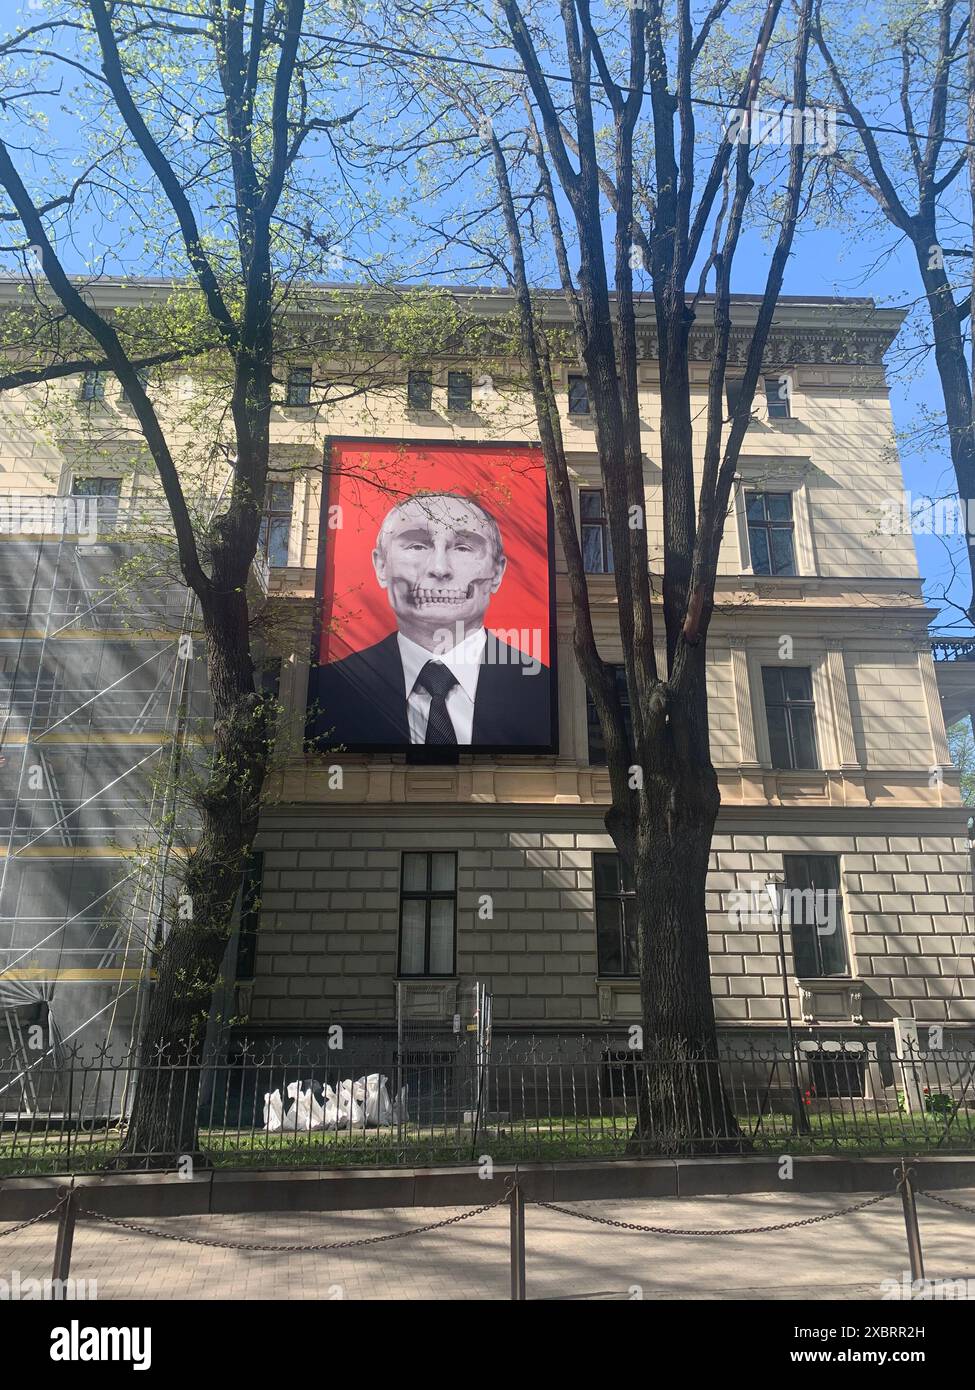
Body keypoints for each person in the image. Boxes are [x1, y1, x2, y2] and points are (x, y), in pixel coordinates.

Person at [308, 491, 552, 750]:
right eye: (417, 546)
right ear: (381, 566)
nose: (439, 568)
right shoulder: (334, 688)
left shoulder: (541, 690)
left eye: (463, 547)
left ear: (497, 572)